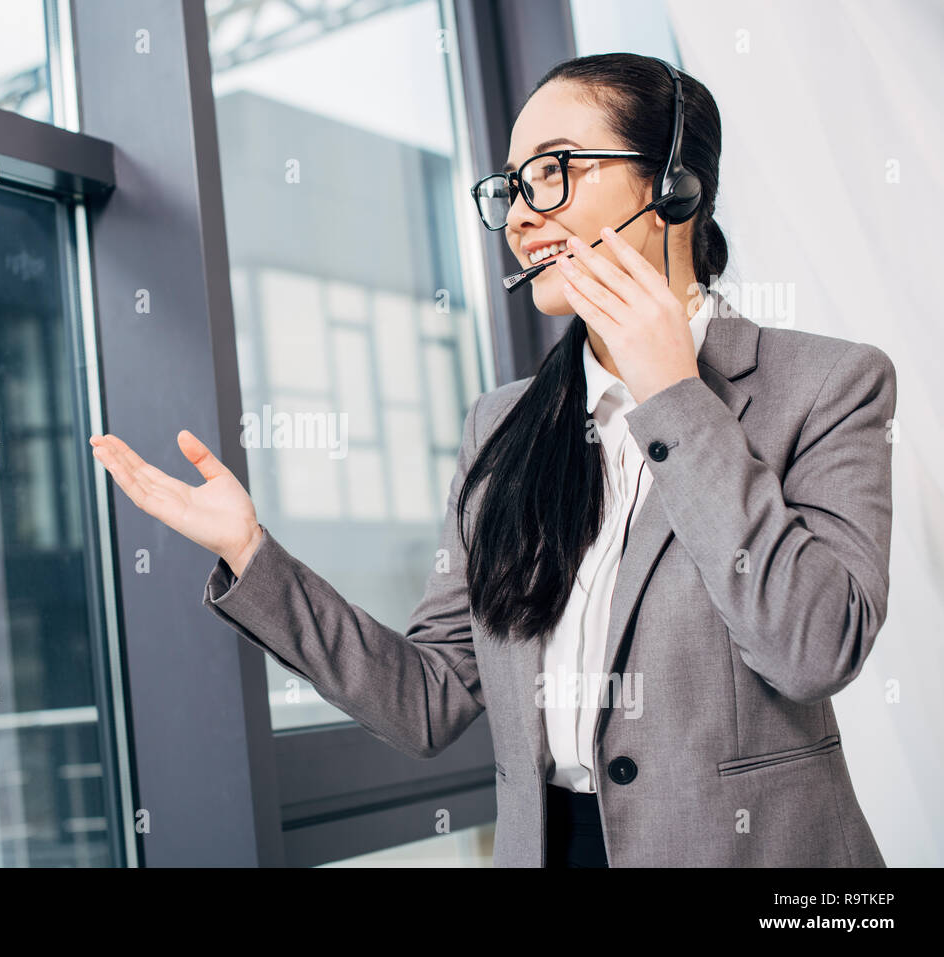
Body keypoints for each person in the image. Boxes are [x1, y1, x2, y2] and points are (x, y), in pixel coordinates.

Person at [89, 52, 895, 867]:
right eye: (511, 187)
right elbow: (427, 698)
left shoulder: (829, 385)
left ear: (671, 186)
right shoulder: (503, 424)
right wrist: (251, 553)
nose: (519, 216)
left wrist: (674, 396)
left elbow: (813, 649)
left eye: (553, 171)